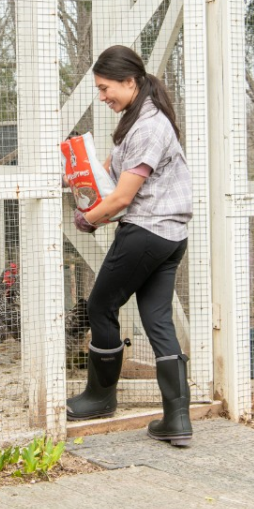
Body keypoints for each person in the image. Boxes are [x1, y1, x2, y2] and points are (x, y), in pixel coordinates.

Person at [66, 45, 194, 447]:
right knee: (157, 319)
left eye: (106, 88)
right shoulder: (140, 119)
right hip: (171, 236)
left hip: (147, 232)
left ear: (130, 81)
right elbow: (107, 171)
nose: (103, 96)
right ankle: (177, 419)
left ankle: (100, 398)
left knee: (100, 306)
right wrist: (73, 176)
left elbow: (122, 197)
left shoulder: (148, 127)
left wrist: (88, 218)